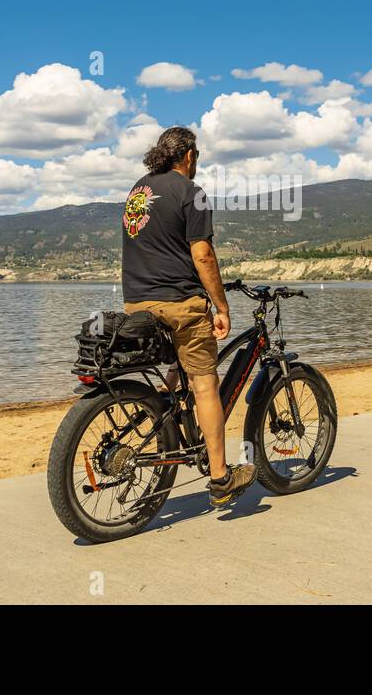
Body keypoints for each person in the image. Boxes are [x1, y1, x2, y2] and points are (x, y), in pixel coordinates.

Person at [121, 126, 257, 506]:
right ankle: (220, 479)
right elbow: (202, 255)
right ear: (190, 155)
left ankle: (165, 419)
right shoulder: (191, 193)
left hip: (137, 303)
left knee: (177, 372)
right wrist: (222, 307)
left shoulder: (139, 190)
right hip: (180, 303)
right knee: (205, 384)